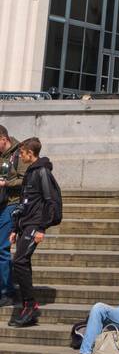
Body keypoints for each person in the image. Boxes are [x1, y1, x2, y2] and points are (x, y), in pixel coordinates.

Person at [8, 137, 61, 328]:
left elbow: (50, 201)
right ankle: (27, 306)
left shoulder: (42, 172)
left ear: (31, 153)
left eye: (22, 153)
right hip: (25, 224)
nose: (20, 156)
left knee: (19, 261)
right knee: (22, 262)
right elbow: (24, 203)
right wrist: (15, 228)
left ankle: (30, 306)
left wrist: (41, 228)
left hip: (34, 225)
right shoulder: (30, 173)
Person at [0, 126, 24, 305]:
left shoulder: (20, 153)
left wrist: (6, 183)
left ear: (3, 138)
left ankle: (7, 291)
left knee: (2, 248)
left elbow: (27, 178)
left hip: (11, 204)